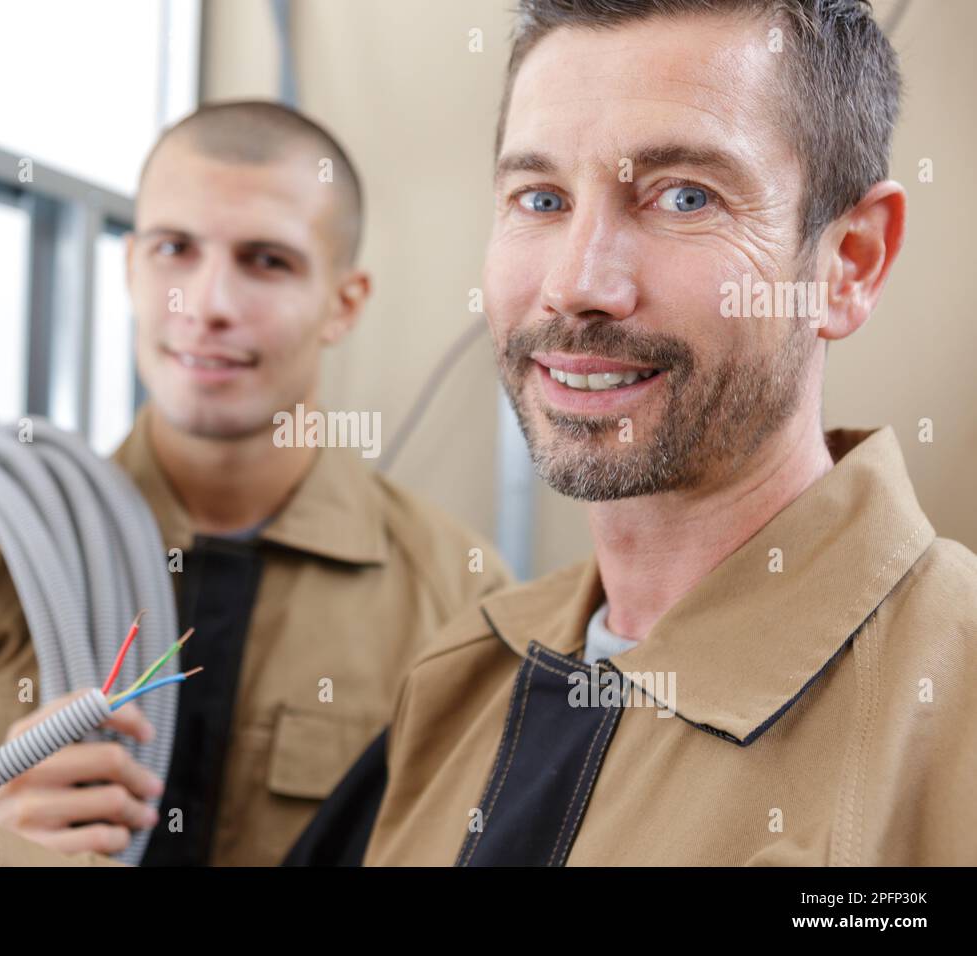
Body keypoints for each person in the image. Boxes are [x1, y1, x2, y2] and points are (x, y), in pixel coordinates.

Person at [0, 101, 511, 868]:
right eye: (175, 249)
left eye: (266, 261)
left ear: (343, 303)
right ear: (132, 265)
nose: (207, 305)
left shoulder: (454, 604)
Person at [357, 0, 977, 865]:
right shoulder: (461, 675)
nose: (577, 284)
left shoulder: (958, 702)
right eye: (541, 198)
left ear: (849, 263)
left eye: (684, 197)